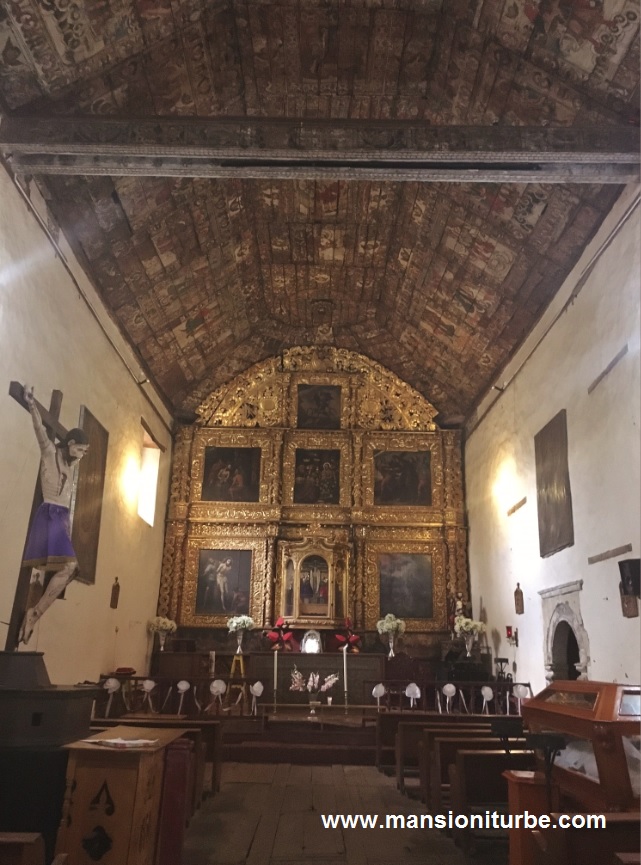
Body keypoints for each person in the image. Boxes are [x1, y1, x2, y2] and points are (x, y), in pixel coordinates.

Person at [19, 385, 90, 644]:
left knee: (70, 569)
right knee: (67, 568)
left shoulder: (70, 469)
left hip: (61, 518)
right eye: (81, 450)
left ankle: (34, 613)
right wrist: (31, 404)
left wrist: (68, 526)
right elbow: (40, 430)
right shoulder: (50, 453)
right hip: (49, 513)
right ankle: (33, 614)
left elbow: (67, 501)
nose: (82, 456)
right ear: (70, 444)